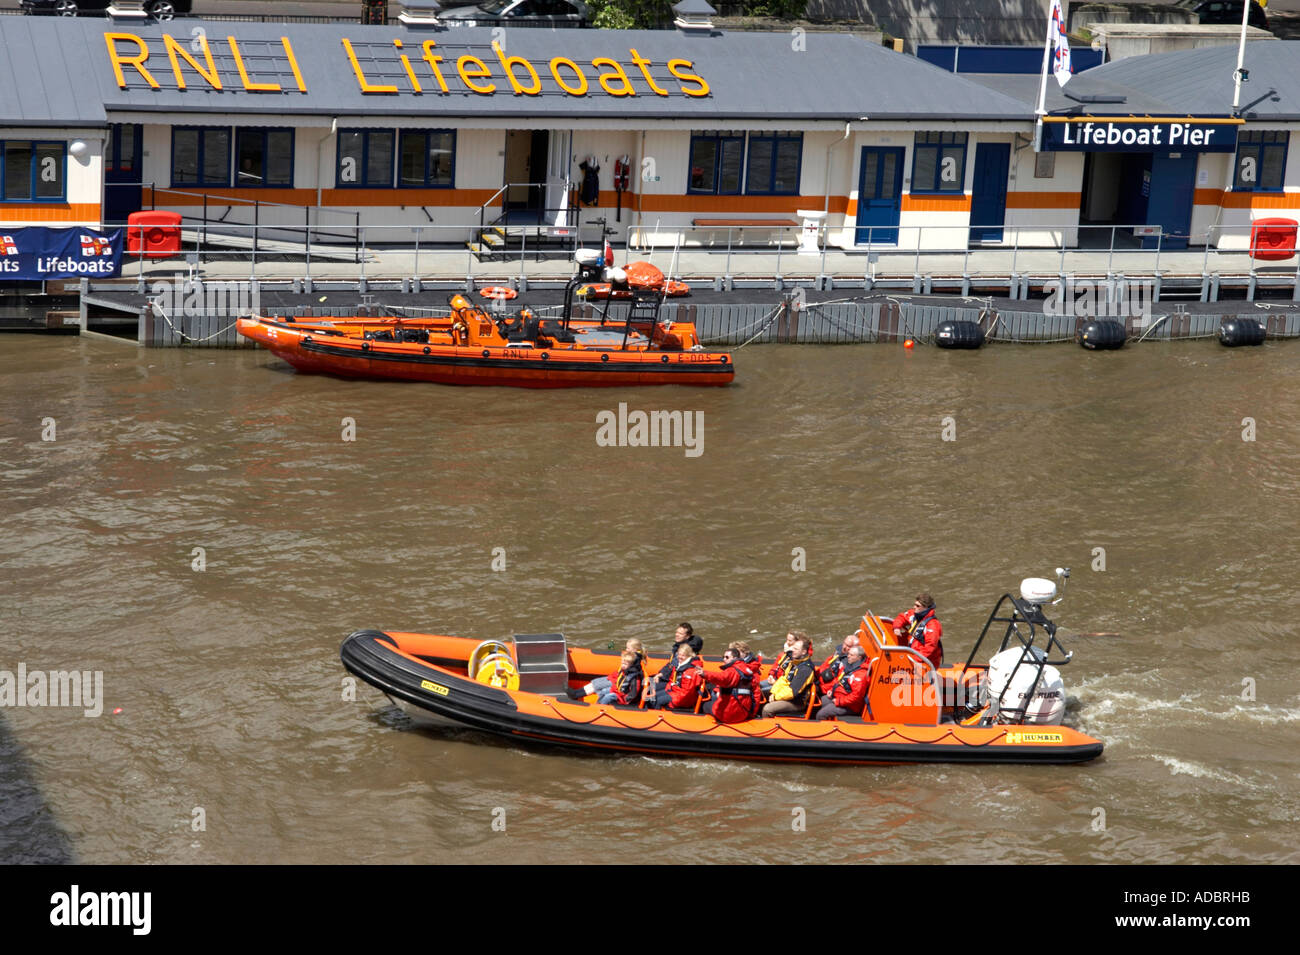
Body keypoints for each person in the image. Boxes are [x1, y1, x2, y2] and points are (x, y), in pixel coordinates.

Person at [701, 641, 762, 724]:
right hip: (741, 708)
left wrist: (704, 673)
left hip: (731, 708)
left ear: (743, 653)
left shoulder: (749, 668)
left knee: (705, 704)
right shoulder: (745, 669)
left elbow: (723, 678)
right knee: (714, 691)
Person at [567, 639, 646, 702]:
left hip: (620, 684)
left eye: (628, 648)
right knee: (596, 681)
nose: (626, 649)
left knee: (597, 685)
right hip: (618, 678)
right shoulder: (632, 657)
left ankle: (576, 694)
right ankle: (576, 692)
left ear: (635, 649)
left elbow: (629, 675)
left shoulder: (634, 661)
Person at [761, 635, 818, 718]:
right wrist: (773, 692)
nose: (792, 650)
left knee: (767, 709)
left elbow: (791, 693)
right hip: (786, 694)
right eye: (793, 648)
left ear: (803, 652)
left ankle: (767, 727)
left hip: (796, 702)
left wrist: (776, 697)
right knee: (760, 693)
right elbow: (783, 679)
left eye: (796, 649)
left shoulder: (805, 670)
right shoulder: (794, 662)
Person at [815, 645, 870, 721]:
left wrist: (839, 701)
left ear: (859, 657)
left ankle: (825, 729)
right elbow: (840, 680)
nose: (848, 656)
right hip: (840, 697)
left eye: (851, 655)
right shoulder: (851, 666)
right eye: (848, 654)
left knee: (821, 714)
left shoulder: (860, 676)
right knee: (823, 700)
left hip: (850, 706)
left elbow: (856, 697)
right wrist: (832, 690)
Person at [646, 640, 703, 711]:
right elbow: (672, 680)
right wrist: (668, 689)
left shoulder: (690, 671)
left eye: (683, 655)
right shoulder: (679, 665)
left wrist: (673, 702)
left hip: (681, 697)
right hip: (673, 690)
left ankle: (656, 716)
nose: (680, 657)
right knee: (651, 697)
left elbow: (686, 693)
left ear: (689, 655)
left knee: (657, 700)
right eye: (679, 654)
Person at [892, 593, 943, 668]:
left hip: (924, 663)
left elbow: (929, 647)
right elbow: (901, 617)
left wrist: (913, 660)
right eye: (915, 604)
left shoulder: (933, 625)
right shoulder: (914, 615)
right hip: (911, 654)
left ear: (926, 608)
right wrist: (897, 627)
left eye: (918, 606)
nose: (914, 607)